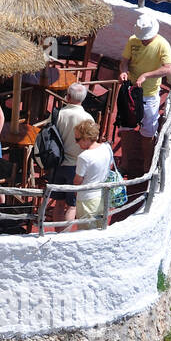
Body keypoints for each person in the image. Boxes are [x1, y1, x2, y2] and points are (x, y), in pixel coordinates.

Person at [119, 10, 171, 175]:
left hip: (148, 94)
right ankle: (125, 164)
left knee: (148, 133)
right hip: (130, 91)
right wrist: (123, 71)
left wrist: (146, 75)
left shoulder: (162, 45)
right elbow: (124, 62)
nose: (143, 40)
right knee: (126, 129)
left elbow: (167, 68)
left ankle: (146, 167)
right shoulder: (133, 41)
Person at [49, 82, 94, 226]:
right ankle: (64, 238)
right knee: (72, 205)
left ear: (67, 96)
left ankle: (57, 235)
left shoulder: (58, 114)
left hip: (58, 164)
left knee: (59, 204)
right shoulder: (88, 119)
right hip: (77, 167)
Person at [71, 117, 115, 230]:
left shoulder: (84, 157)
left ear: (86, 138)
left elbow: (77, 181)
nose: (76, 142)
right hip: (103, 196)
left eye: (77, 139)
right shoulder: (107, 148)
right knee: (101, 229)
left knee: (85, 232)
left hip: (86, 200)